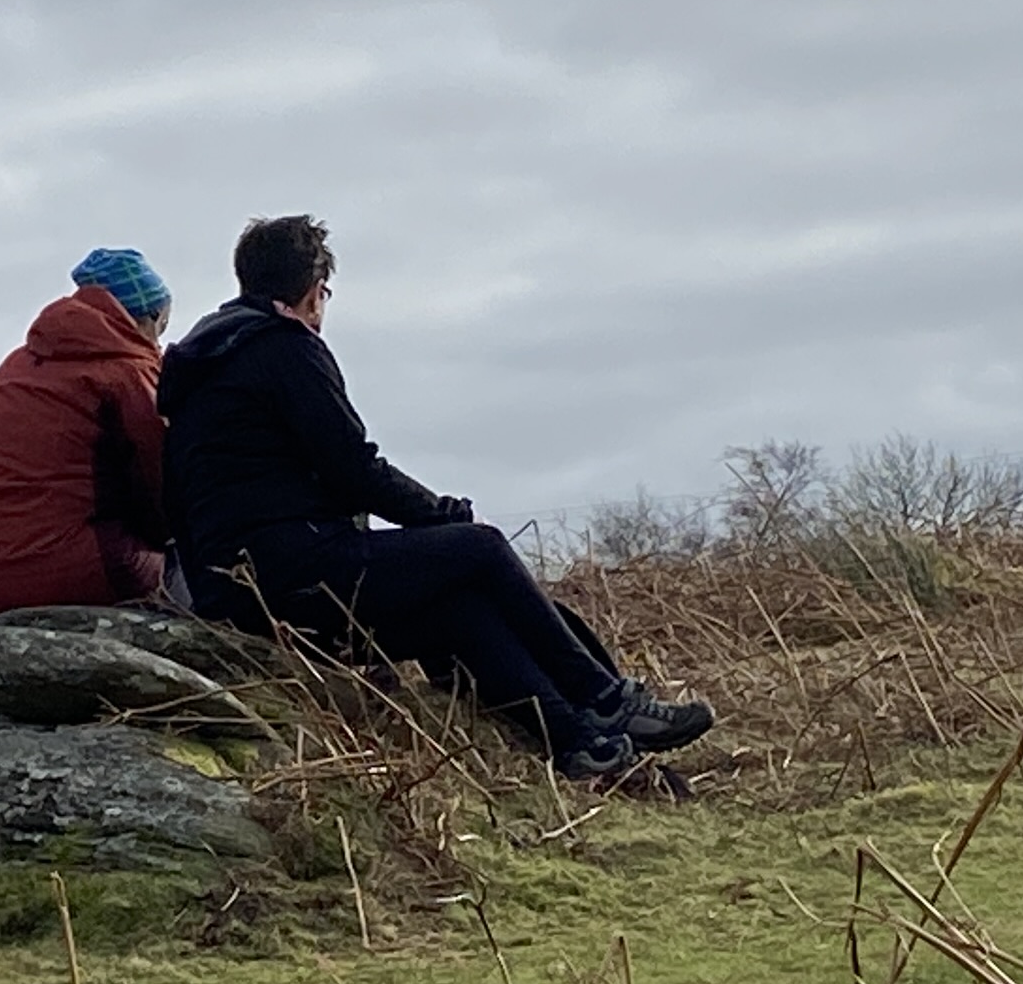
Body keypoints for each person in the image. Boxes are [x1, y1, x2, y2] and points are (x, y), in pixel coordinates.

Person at [158, 214, 712, 780]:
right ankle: (607, 697)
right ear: (311, 289)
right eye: (324, 292)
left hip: (238, 590)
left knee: (457, 612)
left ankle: (579, 747)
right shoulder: (284, 350)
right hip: (295, 571)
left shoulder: (204, 365)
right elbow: (355, 470)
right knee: (481, 548)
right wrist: (441, 515)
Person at [0, 247, 178, 614]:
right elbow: (162, 496)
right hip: (89, 575)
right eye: (161, 328)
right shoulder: (128, 373)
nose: (157, 345)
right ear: (146, 316)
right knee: (196, 569)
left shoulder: (13, 368)